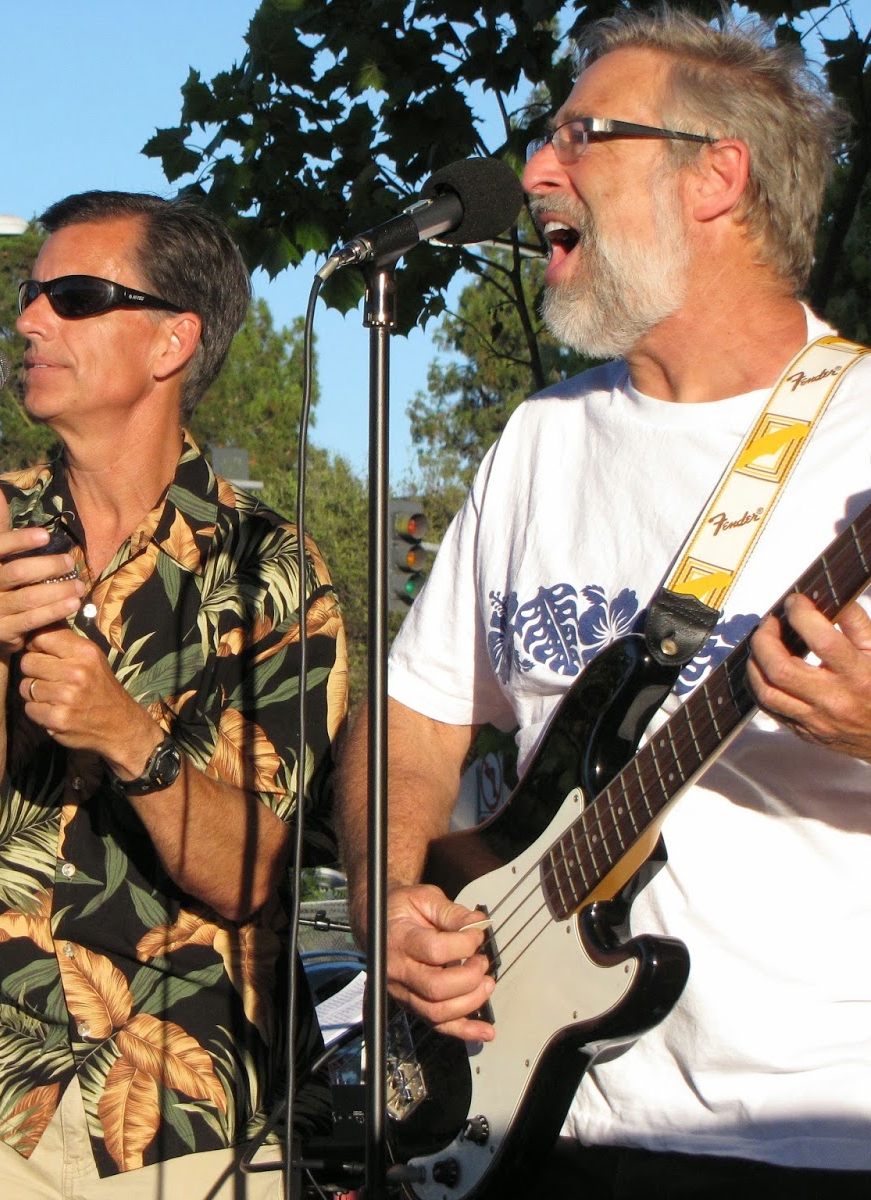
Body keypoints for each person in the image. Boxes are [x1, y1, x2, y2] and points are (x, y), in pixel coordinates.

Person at [336, 7, 871, 1198]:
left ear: (715, 177)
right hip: (533, 1120)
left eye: (582, 135)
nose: (535, 171)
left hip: (810, 1131)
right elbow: (413, 717)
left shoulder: (857, 439)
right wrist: (388, 897)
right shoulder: (541, 439)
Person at [0, 190, 347, 1200]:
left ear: (170, 343)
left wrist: (124, 732)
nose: (28, 322)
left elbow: (252, 875)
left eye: (74, 297)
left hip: (188, 1116)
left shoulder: (271, 567)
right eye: (31, 296)